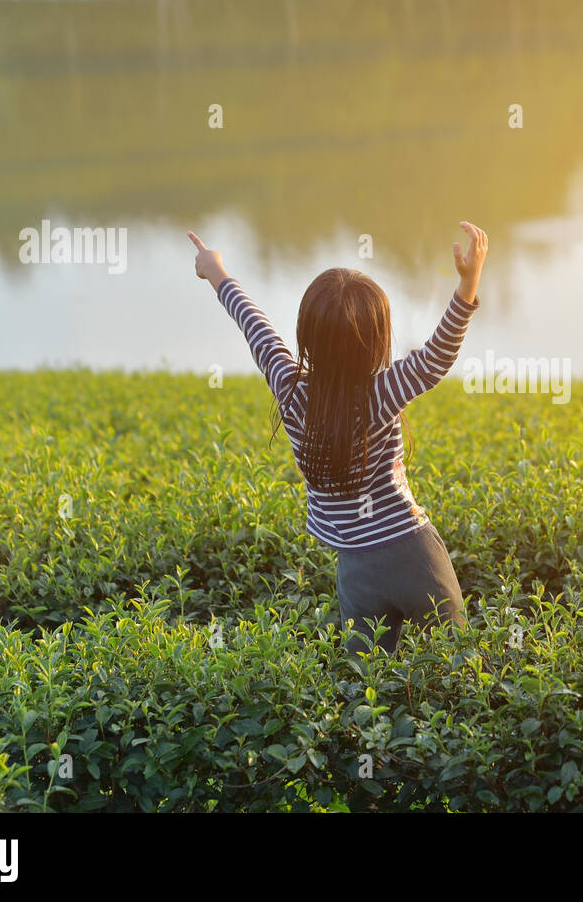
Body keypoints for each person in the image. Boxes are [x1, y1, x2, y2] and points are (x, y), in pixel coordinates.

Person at [188, 222, 488, 652]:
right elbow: (437, 355)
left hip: (355, 570)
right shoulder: (382, 391)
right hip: (414, 555)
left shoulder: (289, 389)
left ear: (307, 335)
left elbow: (252, 324)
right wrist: (468, 281)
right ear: (377, 339)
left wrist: (216, 271)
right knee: (461, 664)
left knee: (364, 683)